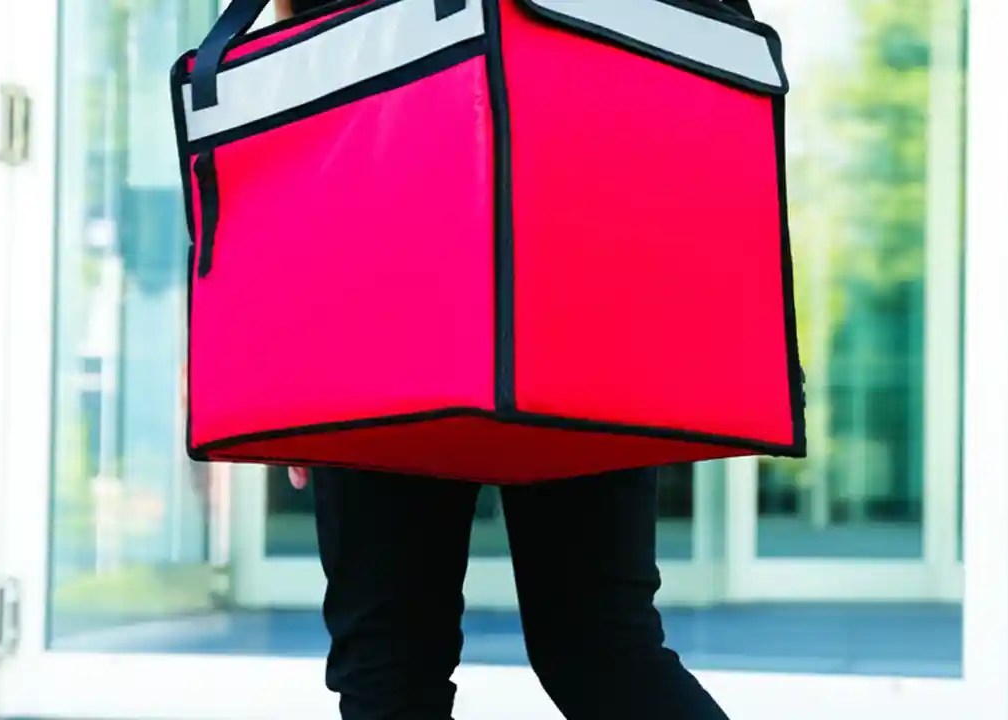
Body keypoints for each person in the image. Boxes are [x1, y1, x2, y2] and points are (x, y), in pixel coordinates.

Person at [273, 1, 731, 718]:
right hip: (567, 240)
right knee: (600, 648)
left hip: (385, 240)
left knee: (392, 667)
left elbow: (301, 68)